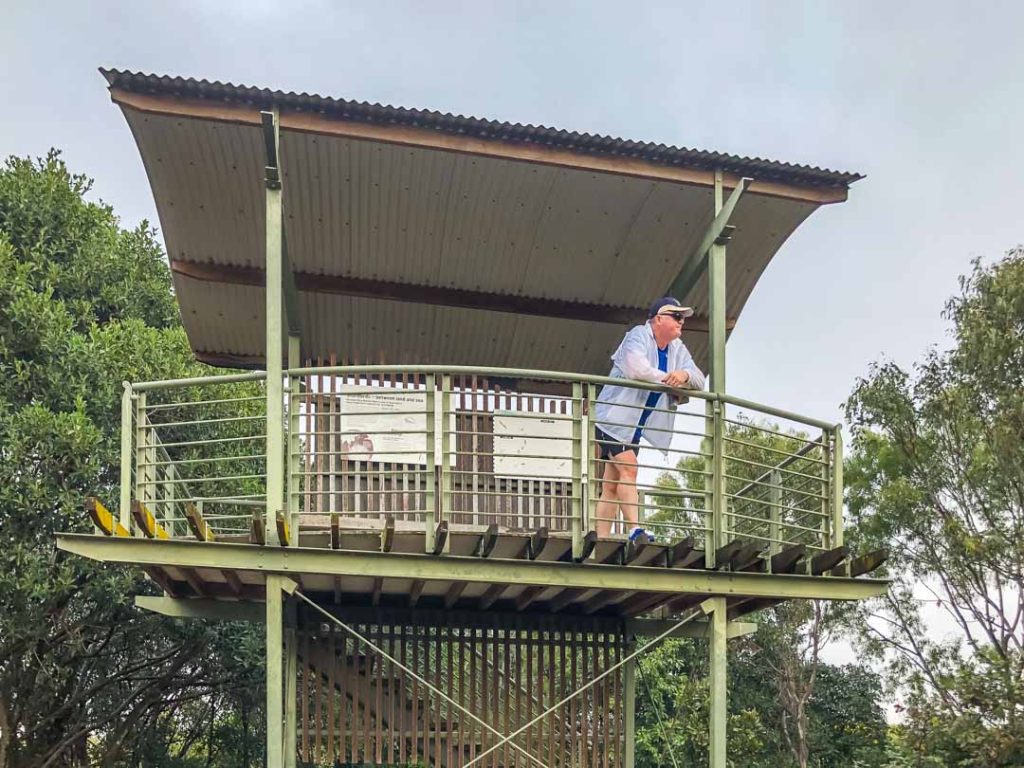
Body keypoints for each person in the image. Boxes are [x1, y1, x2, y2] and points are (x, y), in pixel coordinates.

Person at [593, 297, 706, 542]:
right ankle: (635, 528)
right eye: (676, 316)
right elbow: (637, 369)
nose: (681, 322)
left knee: (611, 484)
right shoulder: (638, 336)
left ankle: (600, 541)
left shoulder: (677, 348)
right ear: (658, 319)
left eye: (682, 318)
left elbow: (699, 379)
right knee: (629, 469)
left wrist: (684, 374)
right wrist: (669, 378)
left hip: (634, 426)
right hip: (613, 418)